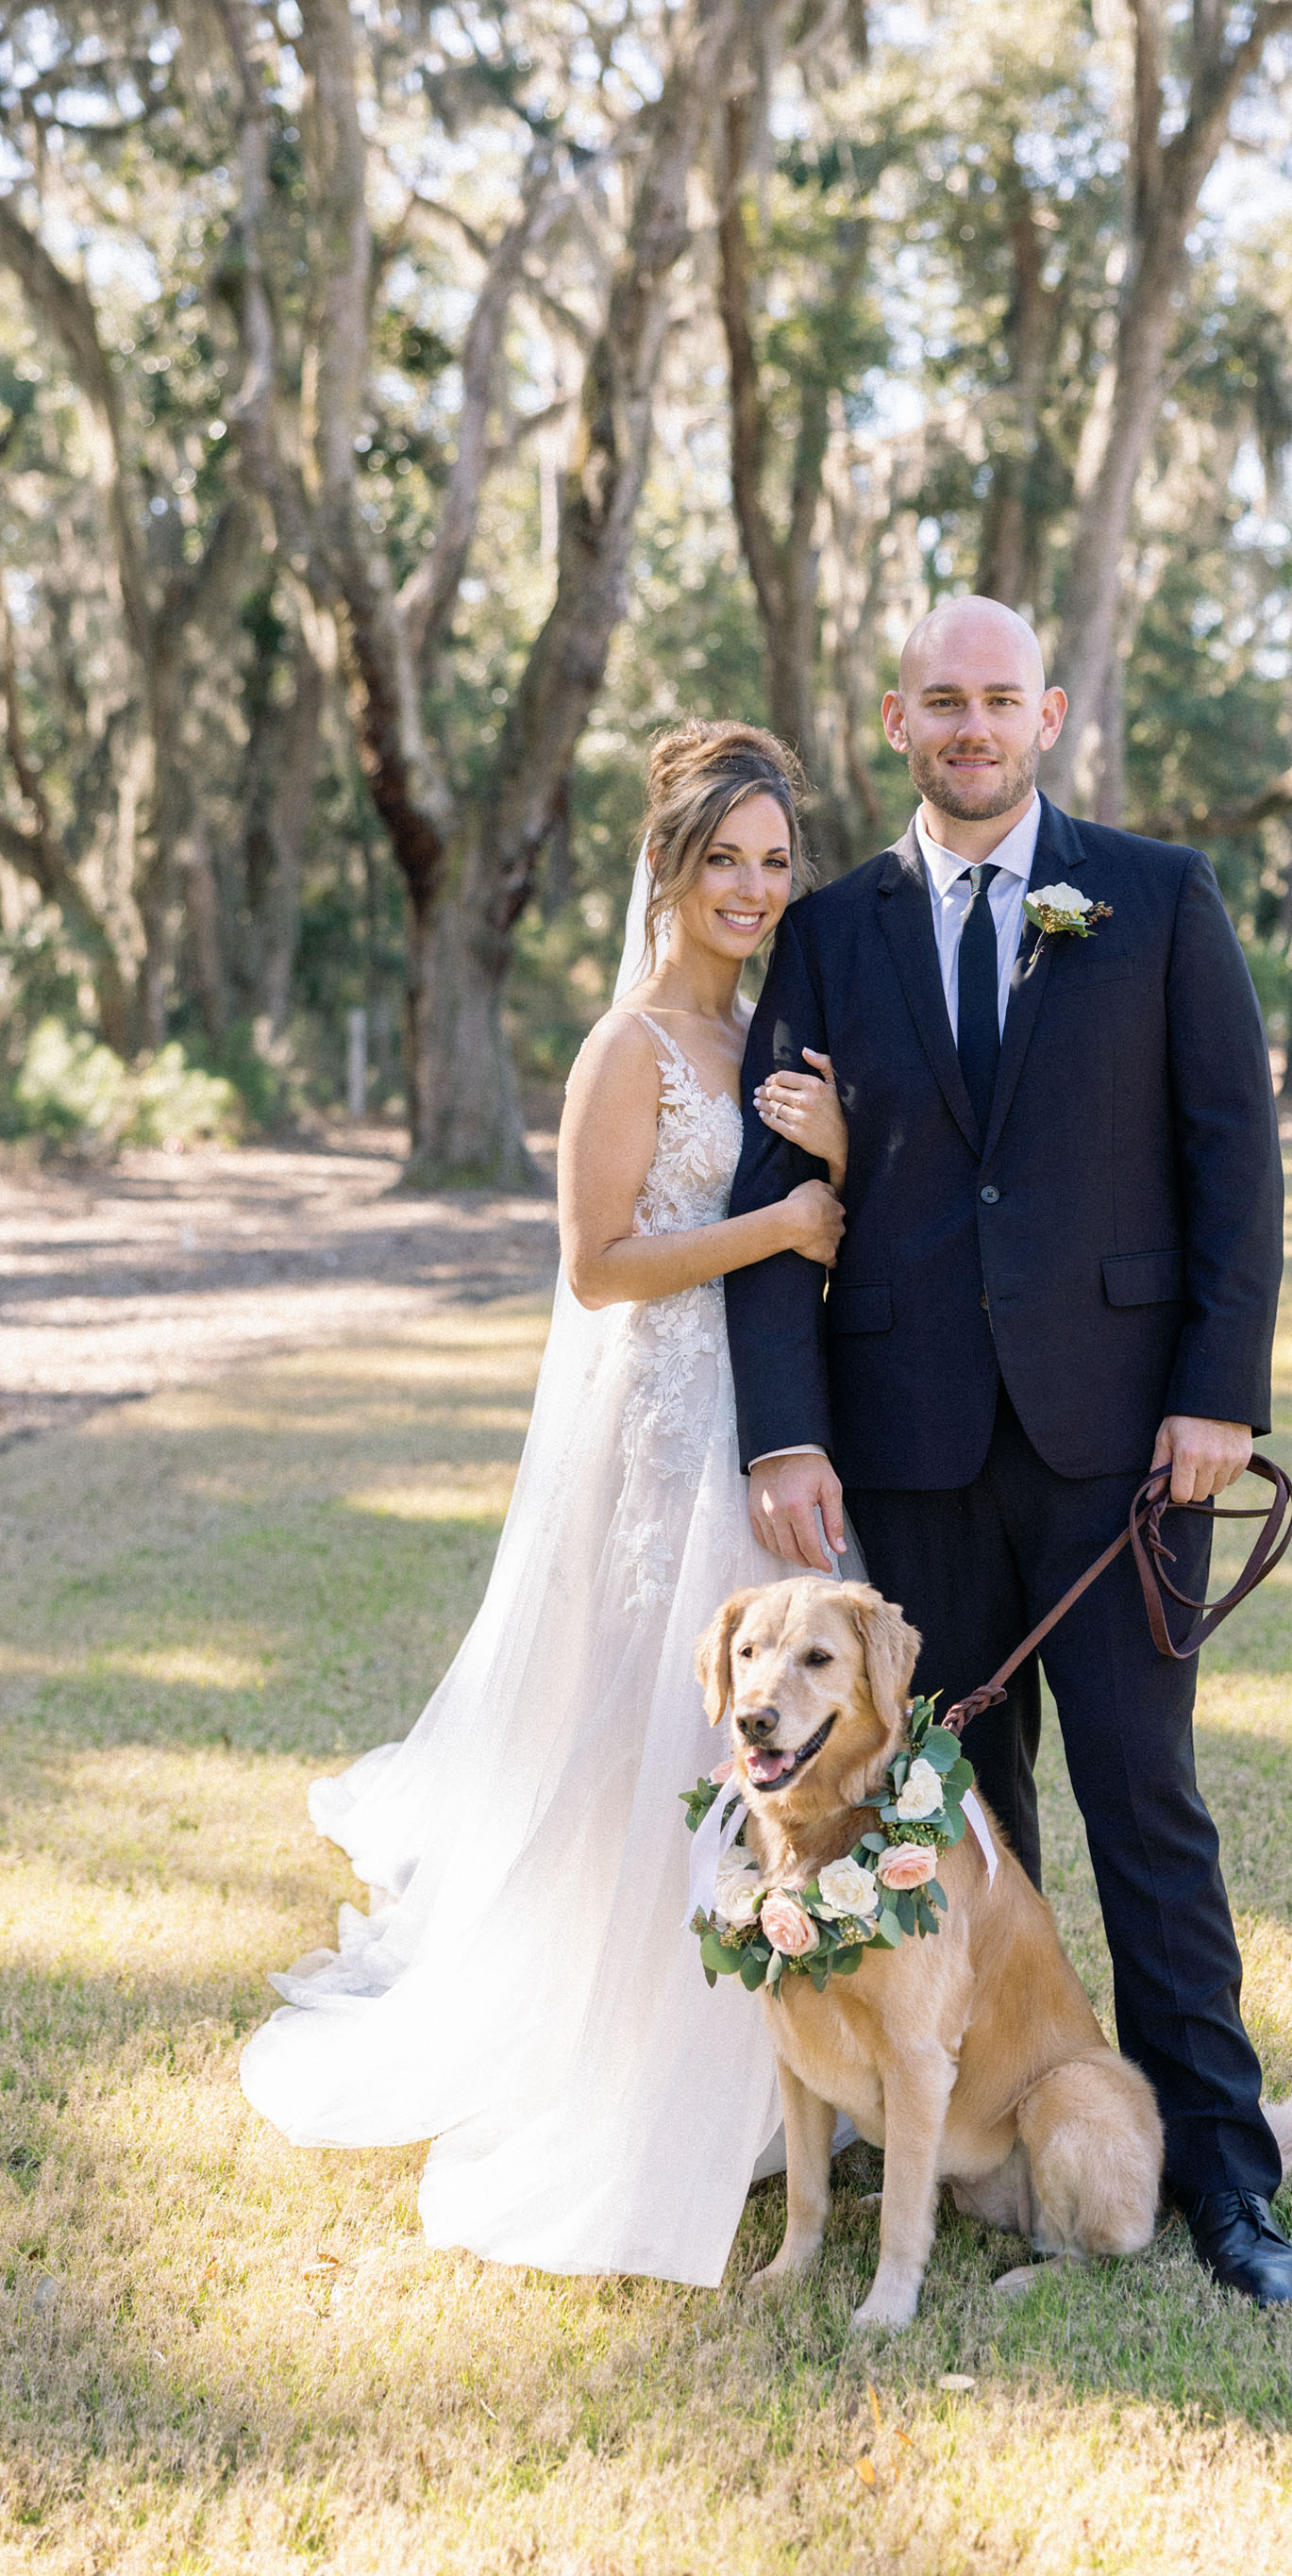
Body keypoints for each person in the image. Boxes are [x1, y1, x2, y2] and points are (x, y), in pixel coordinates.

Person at [726, 598, 1292, 2307]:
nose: (971, 727)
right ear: (895, 717)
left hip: (1122, 1453)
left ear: (1047, 714)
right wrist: (785, 1427)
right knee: (949, 1829)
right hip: (901, 1461)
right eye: (941, 701)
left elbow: (1235, 1162)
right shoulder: (829, 933)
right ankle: (981, 2139)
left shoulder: (1164, 896)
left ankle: (1226, 2175)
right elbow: (773, 1199)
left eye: (1001, 699)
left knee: (1148, 1808)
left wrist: (1219, 1389)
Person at [241, 721, 852, 2286]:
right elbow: (597, 1265)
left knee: (782, 1743)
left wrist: (827, 1191)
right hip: (662, 1431)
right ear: (669, 864)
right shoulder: (627, 1047)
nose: (755, 888)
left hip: (773, 1424)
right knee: (659, 1737)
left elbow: (829, 1229)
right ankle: (644, 2064)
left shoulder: (774, 1038)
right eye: (727, 858)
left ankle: (785, 2064)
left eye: (777, 863)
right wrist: (777, 1220)